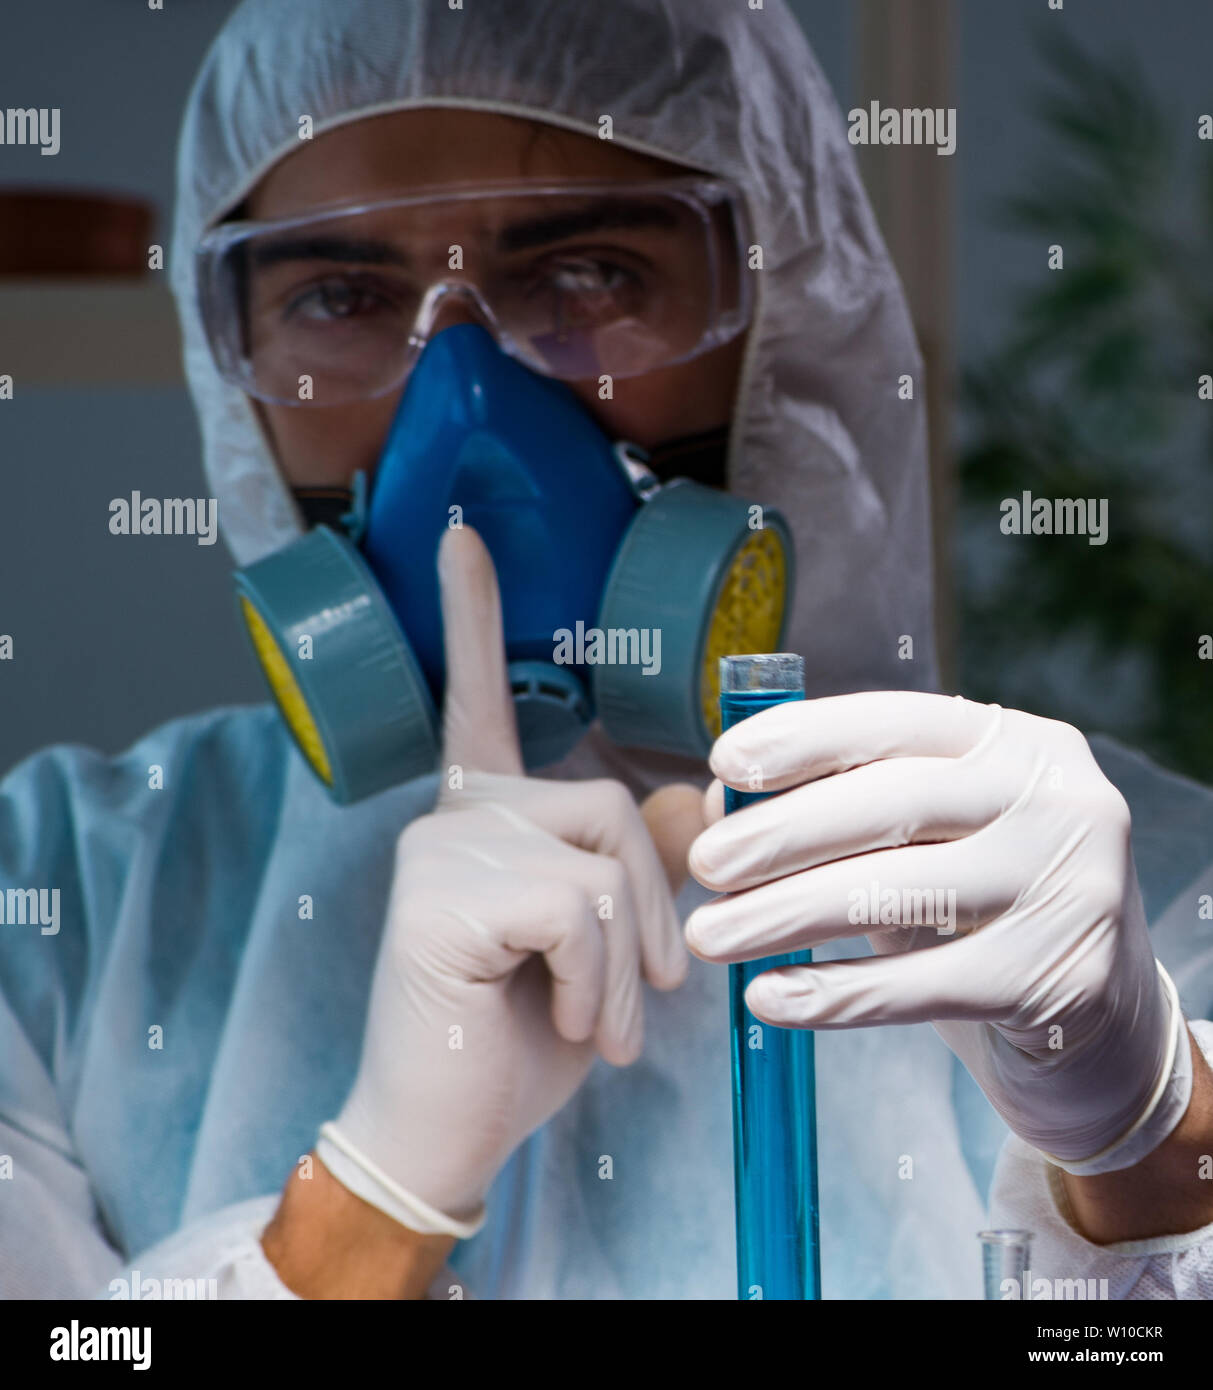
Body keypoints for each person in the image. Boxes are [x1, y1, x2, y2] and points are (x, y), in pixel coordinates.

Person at [2, 0, 1212, 1301]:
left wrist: (1146, 1130)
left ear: (784, 323)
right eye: (340, 296)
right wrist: (366, 1200)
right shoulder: (63, 902)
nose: (463, 410)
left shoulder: (1114, 889)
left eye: (585, 275)